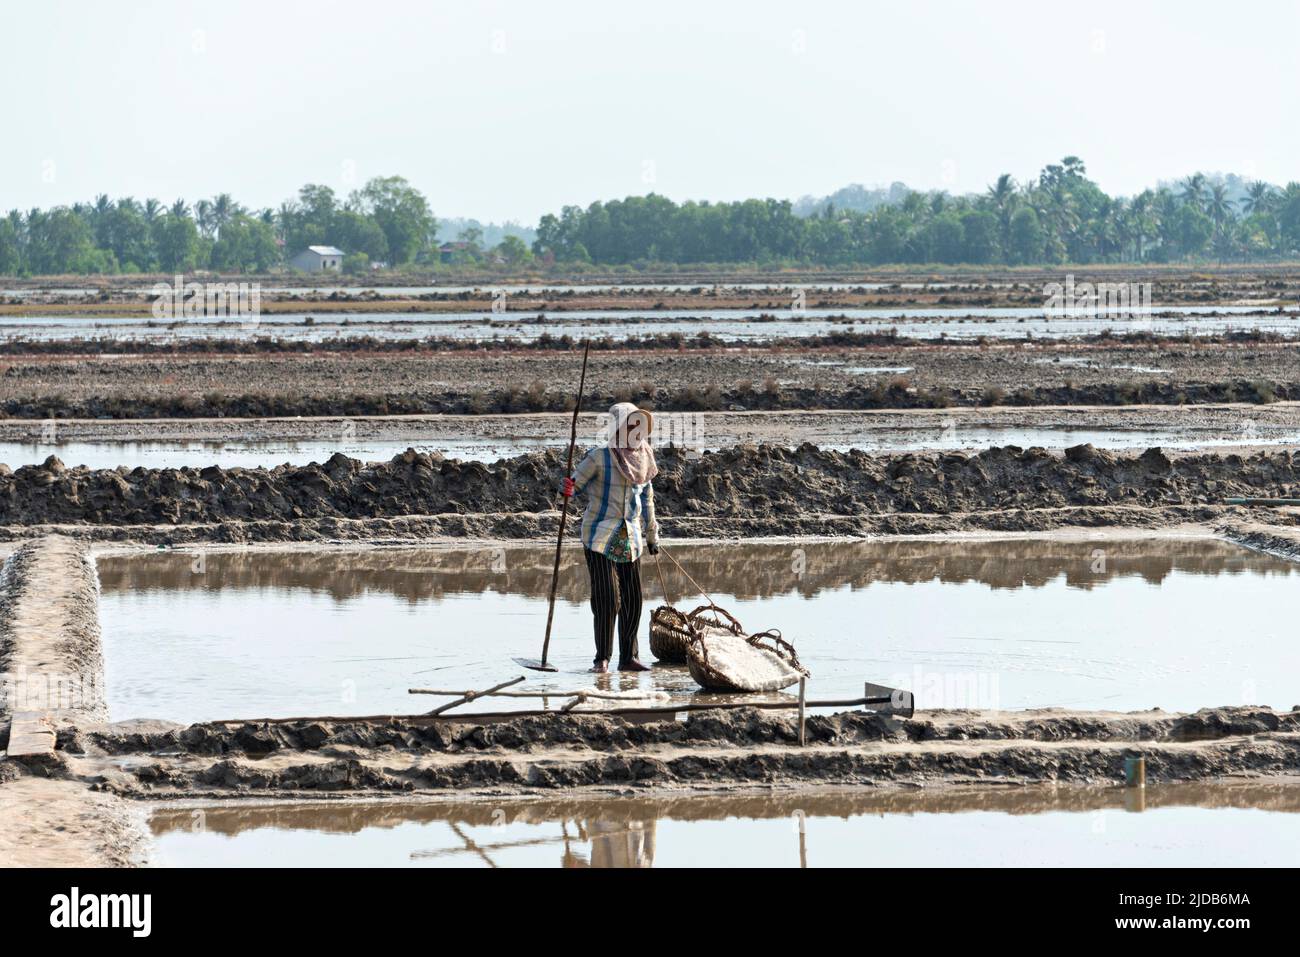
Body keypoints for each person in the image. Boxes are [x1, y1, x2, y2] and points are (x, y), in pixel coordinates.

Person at [561, 402, 660, 673]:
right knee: (607, 598)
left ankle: (628, 658)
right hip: (599, 535)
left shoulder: (644, 457)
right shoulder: (599, 457)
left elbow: (647, 498)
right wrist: (567, 487)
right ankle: (601, 659)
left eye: (638, 426)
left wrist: (652, 533)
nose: (635, 431)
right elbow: (574, 485)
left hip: (632, 537)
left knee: (633, 598)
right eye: (630, 425)